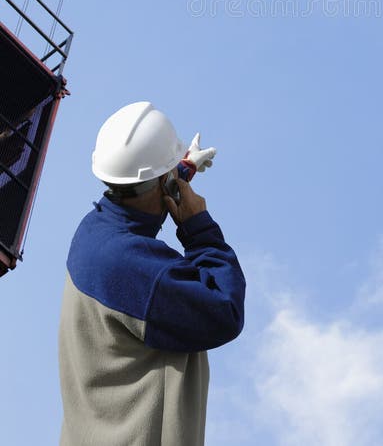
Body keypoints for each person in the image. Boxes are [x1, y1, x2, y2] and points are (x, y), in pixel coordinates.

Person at [59, 101, 245, 446]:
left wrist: (180, 171)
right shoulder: (139, 270)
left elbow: (140, 198)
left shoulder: (94, 232)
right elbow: (225, 310)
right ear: (161, 183)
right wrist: (199, 230)